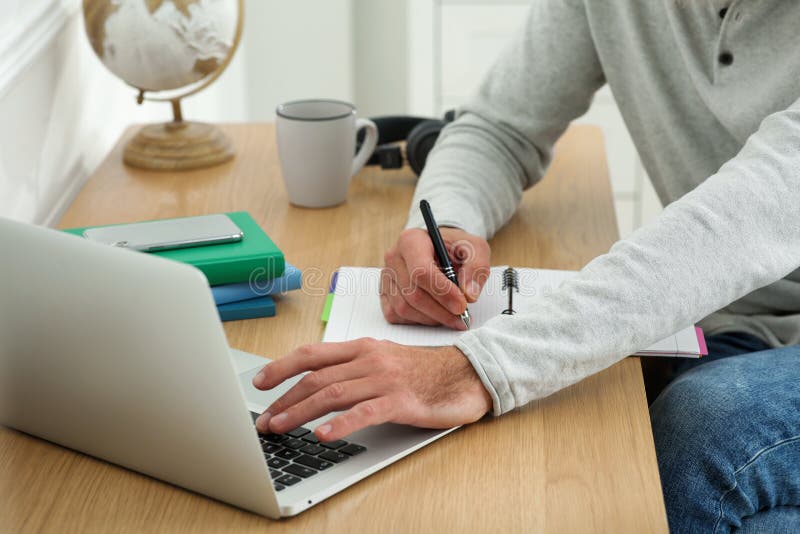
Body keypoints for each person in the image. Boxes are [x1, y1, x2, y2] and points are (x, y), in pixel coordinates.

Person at [253, 1, 800, 531]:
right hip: (723, 319)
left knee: (703, 429)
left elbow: (750, 214)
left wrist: (477, 368)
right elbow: (500, 128)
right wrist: (447, 224)